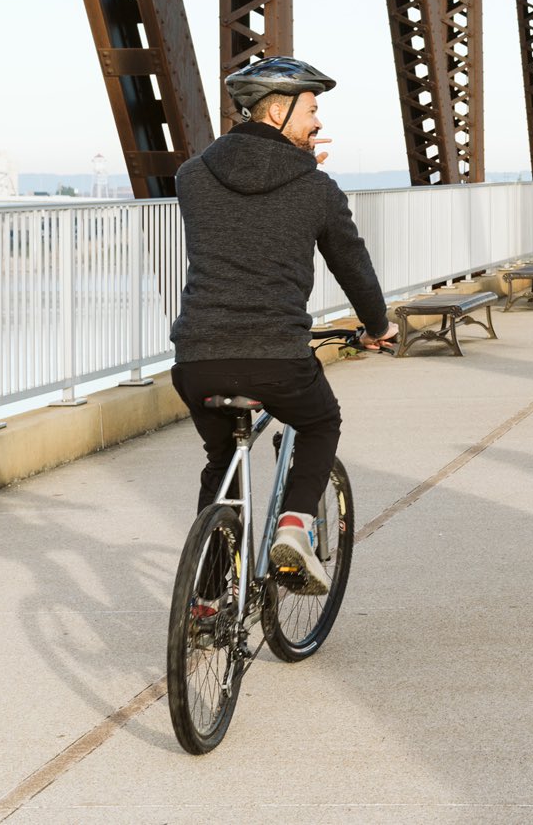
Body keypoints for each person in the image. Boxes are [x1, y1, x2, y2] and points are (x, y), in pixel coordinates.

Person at [169, 56, 395, 594]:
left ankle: (207, 602)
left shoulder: (191, 176)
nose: (318, 122)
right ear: (276, 112)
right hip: (276, 357)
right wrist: (376, 326)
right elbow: (352, 266)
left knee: (222, 461)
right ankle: (294, 527)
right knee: (320, 423)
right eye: (311, 110)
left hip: (197, 358)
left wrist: (298, 164)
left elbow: (240, 220)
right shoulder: (316, 187)